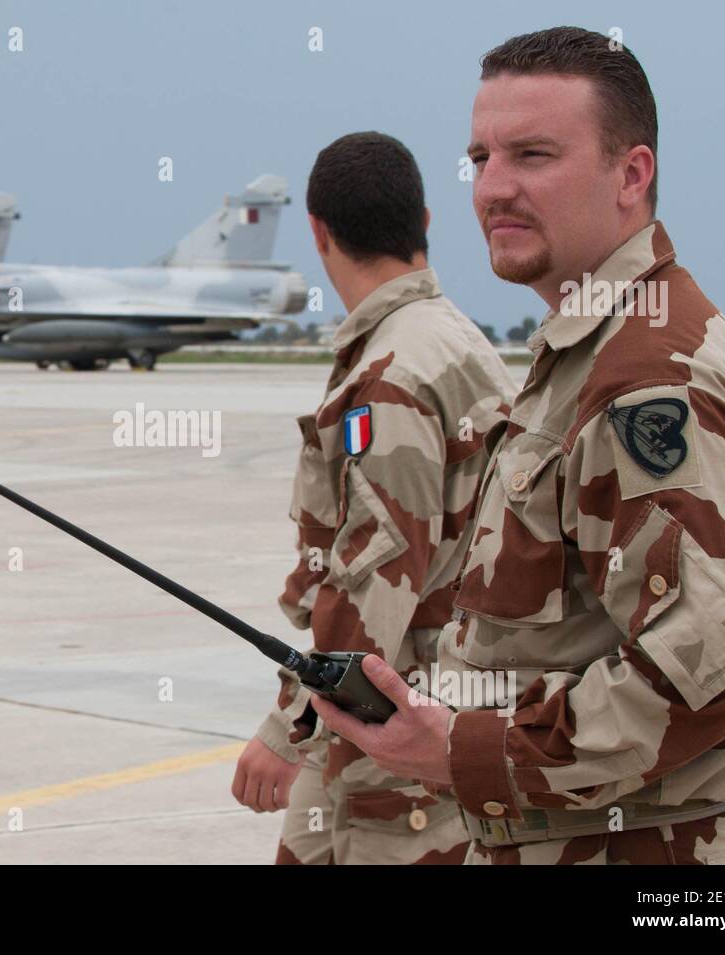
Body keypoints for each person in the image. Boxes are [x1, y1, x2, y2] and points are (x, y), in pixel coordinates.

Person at [310, 26, 725, 865]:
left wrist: (463, 751)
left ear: (631, 173)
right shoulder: (594, 349)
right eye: (480, 157)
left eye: (533, 155)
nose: (494, 187)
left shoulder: (648, 377)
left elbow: (707, 669)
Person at [230, 131, 516, 864]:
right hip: (410, 714)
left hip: (394, 736)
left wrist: (287, 729)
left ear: (318, 233)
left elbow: (376, 578)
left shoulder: (395, 371)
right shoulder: (456, 341)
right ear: (424, 221)